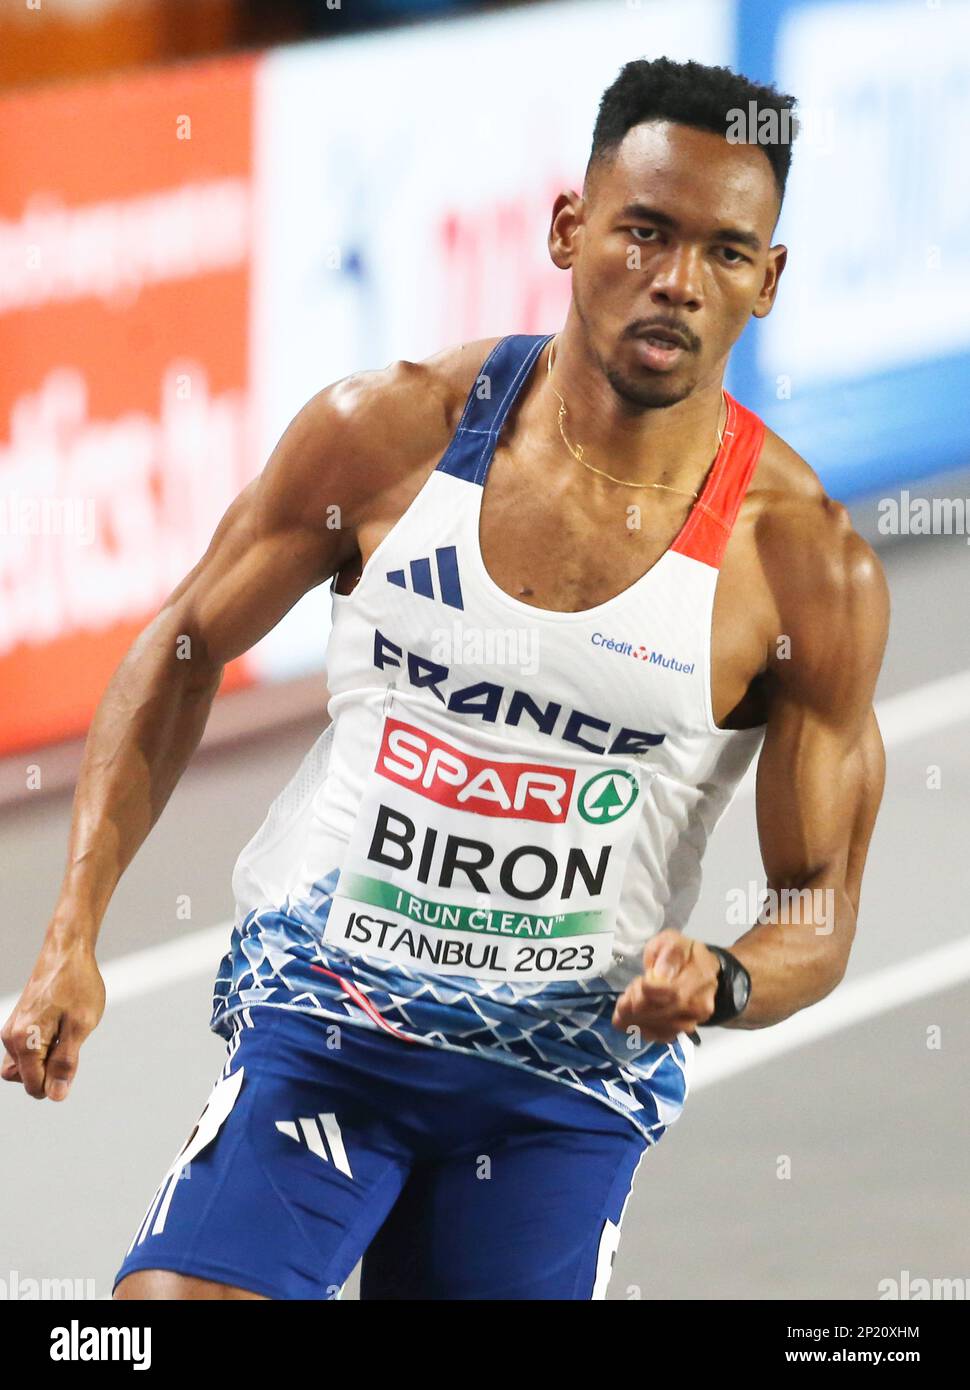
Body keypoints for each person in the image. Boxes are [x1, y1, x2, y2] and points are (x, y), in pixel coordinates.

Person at [2, 56, 888, 1301]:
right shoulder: (388, 435)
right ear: (569, 230)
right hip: (326, 1025)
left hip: (557, 1088)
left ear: (769, 279)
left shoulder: (804, 570)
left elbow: (821, 904)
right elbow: (185, 644)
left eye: (725, 253)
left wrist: (727, 975)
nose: (677, 283)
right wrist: (71, 933)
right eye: (643, 232)